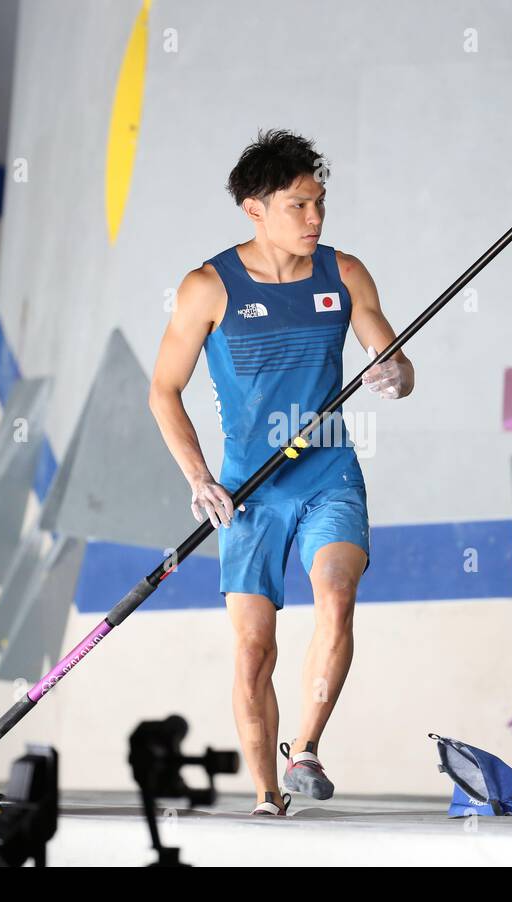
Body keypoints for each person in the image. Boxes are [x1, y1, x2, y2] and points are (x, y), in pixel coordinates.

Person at [148, 129, 414, 815]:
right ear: (254, 209)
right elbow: (163, 391)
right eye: (299, 205)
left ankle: (307, 748)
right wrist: (199, 478)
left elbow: (393, 357)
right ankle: (268, 794)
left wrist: (394, 372)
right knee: (252, 653)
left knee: (337, 593)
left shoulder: (345, 273)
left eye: (320, 203)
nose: (315, 219)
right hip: (247, 489)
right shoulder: (208, 288)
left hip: (329, 474)